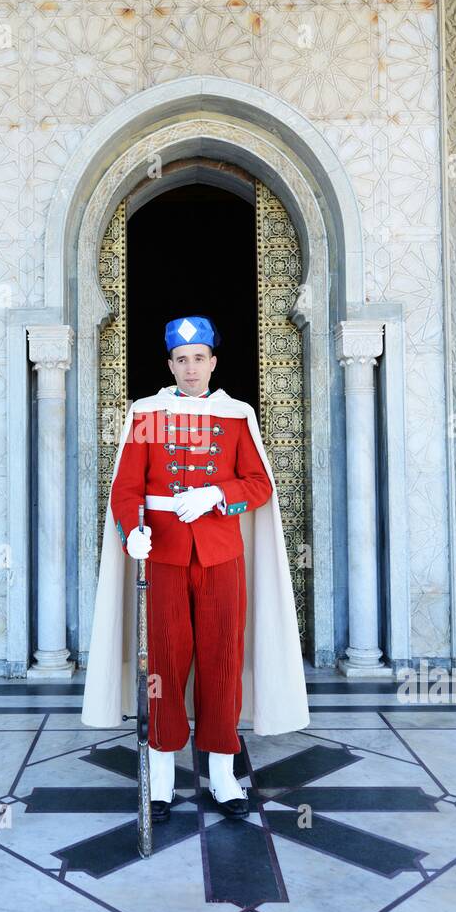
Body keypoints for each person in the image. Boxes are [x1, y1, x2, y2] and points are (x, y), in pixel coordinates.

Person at [81, 314, 309, 820]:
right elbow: (126, 490)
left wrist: (215, 494)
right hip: (161, 556)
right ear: (169, 364)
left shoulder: (237, 414)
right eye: (181, 360)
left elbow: (258, 484)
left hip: (221, 557)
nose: (190, 368)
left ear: (213, 362)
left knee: (221, 661)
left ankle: (224, 776)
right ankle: (161, 777)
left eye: (198, 359)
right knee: (162, 663)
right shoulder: (146, 413)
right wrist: (132, 529)